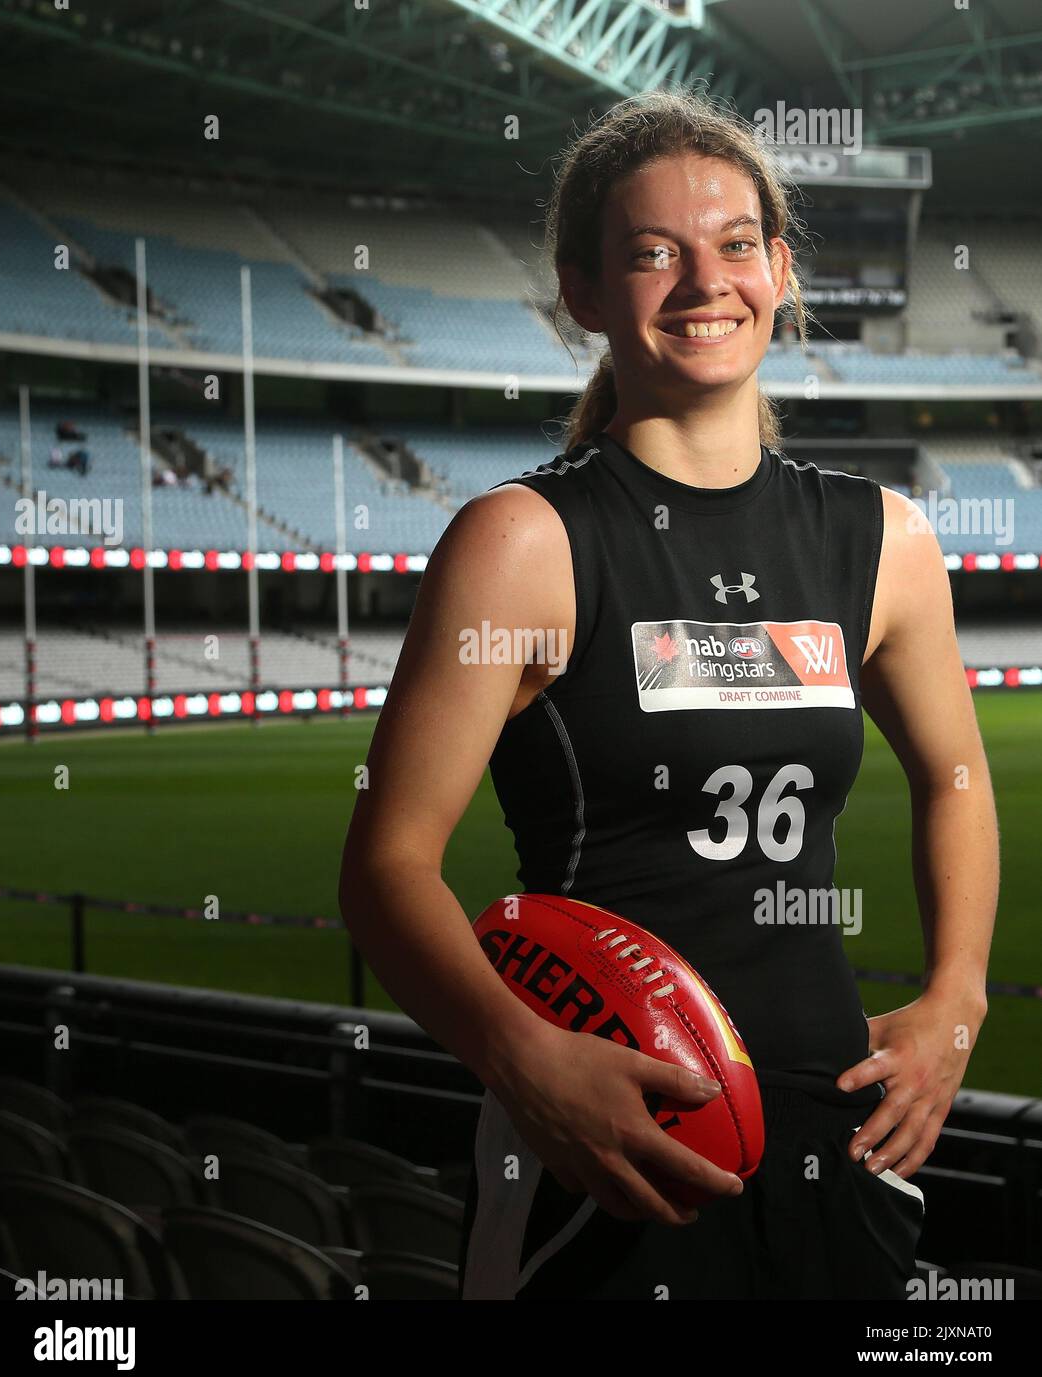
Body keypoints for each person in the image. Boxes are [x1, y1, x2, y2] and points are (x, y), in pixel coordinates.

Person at [338, 86, 998, 1300]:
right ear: (582, 293)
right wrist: (524, 1060)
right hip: (607, 1139)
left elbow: (954, 779)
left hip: (834, 1129)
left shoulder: (881, 539)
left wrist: (955, 994)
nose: (705, 281)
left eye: (734, 245)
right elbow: (385, 868)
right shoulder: (521, 541)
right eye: (652, 253)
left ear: (779, 267)